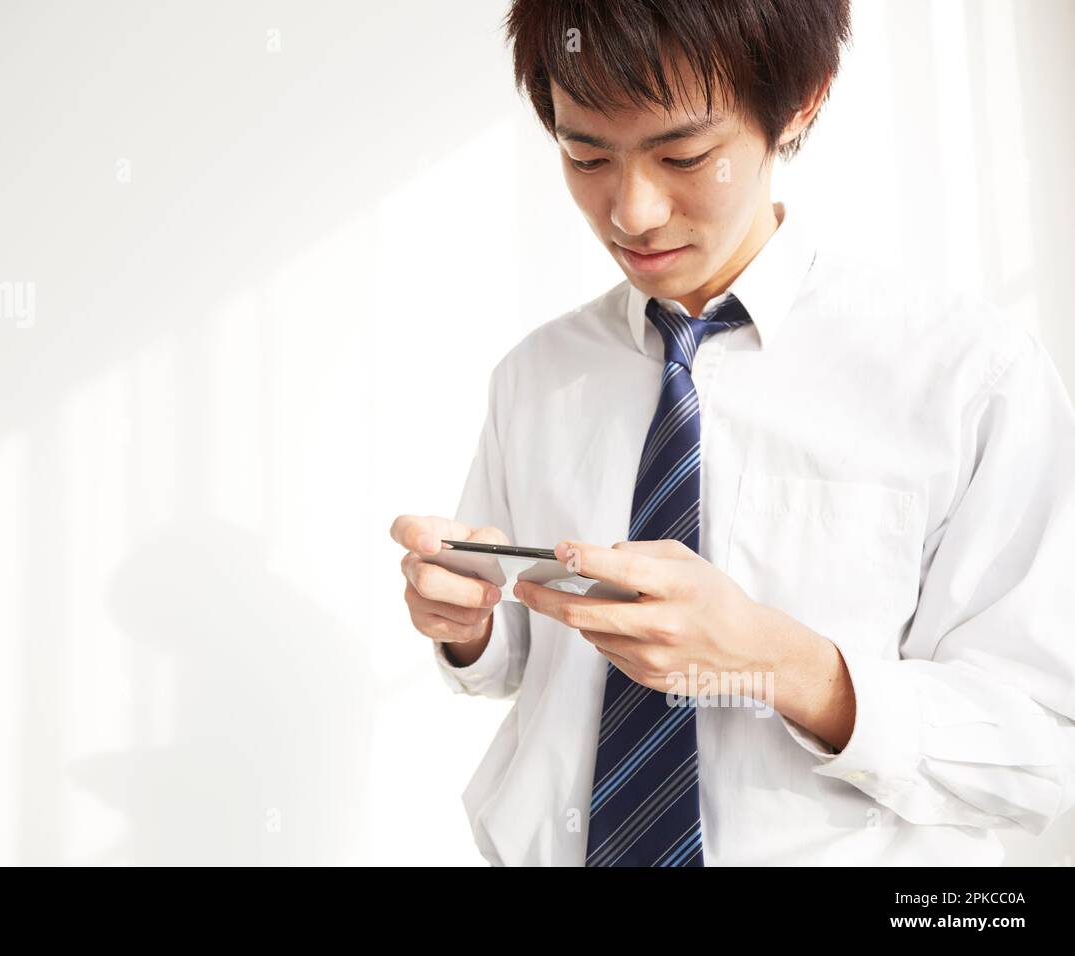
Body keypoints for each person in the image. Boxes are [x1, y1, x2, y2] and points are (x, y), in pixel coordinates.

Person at [389, 0, 1075, 866]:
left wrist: (784, 664)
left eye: (684, 154)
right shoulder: (536, 376)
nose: (631, 212)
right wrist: (468, 620)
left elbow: (1038, 756)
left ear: (803, 100)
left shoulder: (970, 378)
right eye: (585, 153)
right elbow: (516, 669)